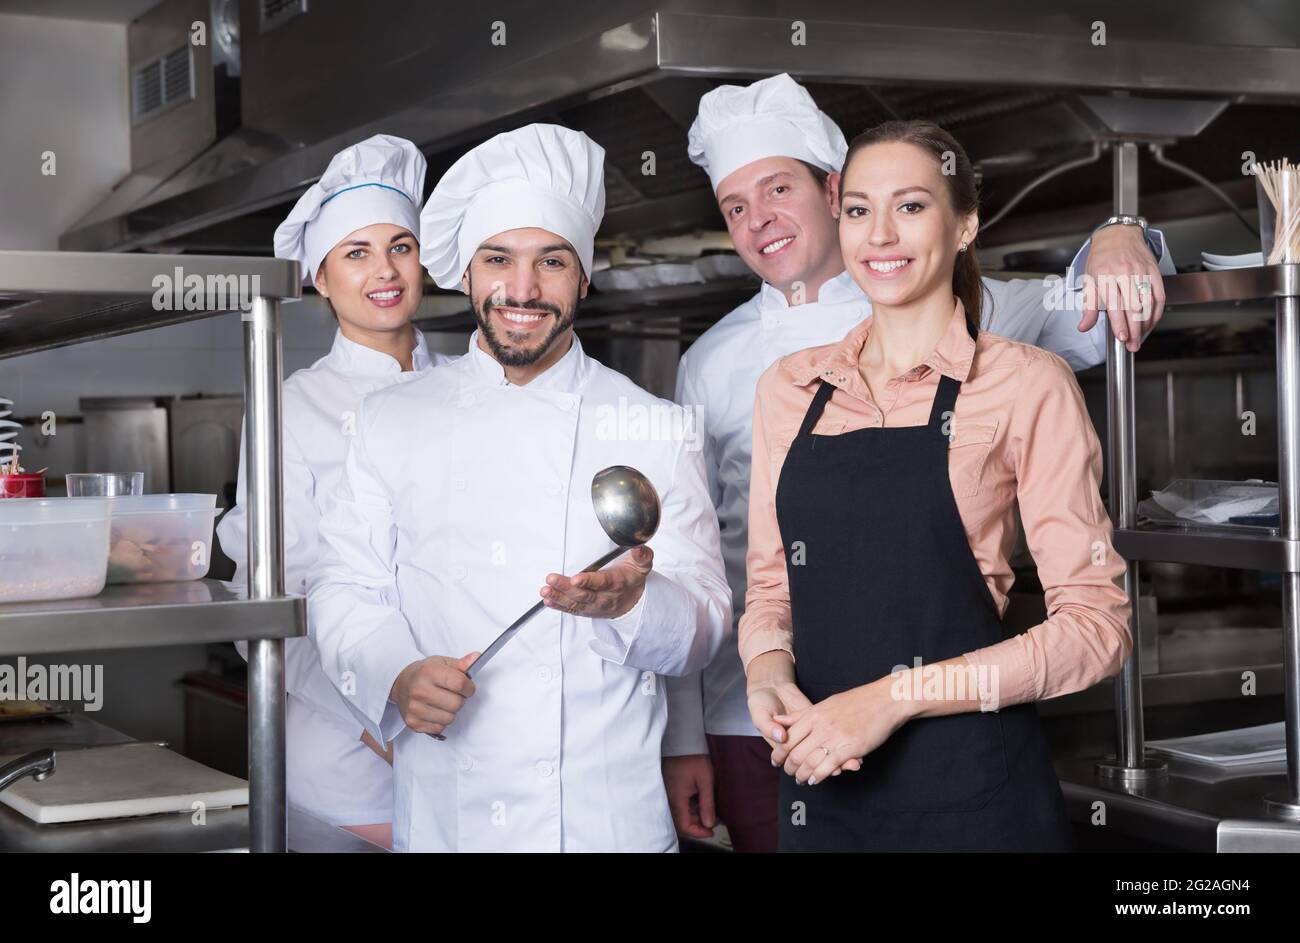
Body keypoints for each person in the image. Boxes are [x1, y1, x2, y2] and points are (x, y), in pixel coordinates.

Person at [663, 73, 1172, 852]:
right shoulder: (786, 388)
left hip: (973, 787)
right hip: (821, 776)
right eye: (863, 211)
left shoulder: (1025, 378)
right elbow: (768, 586)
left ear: (965, 223)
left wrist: (1122, 226)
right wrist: (767, 672)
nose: (881, 234)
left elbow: (1097, 628)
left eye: (911, 206)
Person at [307, 123, 732, 852]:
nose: (524, 290)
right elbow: (343, 586)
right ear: (467, 273)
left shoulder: (654, 425)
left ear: (585, 277)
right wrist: (397, 674)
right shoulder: (389, 421)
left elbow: (706, 627)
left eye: (552, 261)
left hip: (607, 824)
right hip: (451, 818)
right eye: (498, 259)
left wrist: (636, 605)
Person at [217, 134, 449, 849]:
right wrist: (386, 706)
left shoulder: (475, 386)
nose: (385, 270)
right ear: (320, 277)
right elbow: (278, 598)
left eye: (401, 246)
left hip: (473, 731)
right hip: (345, 757)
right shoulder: (293, 406)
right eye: (357, 253)